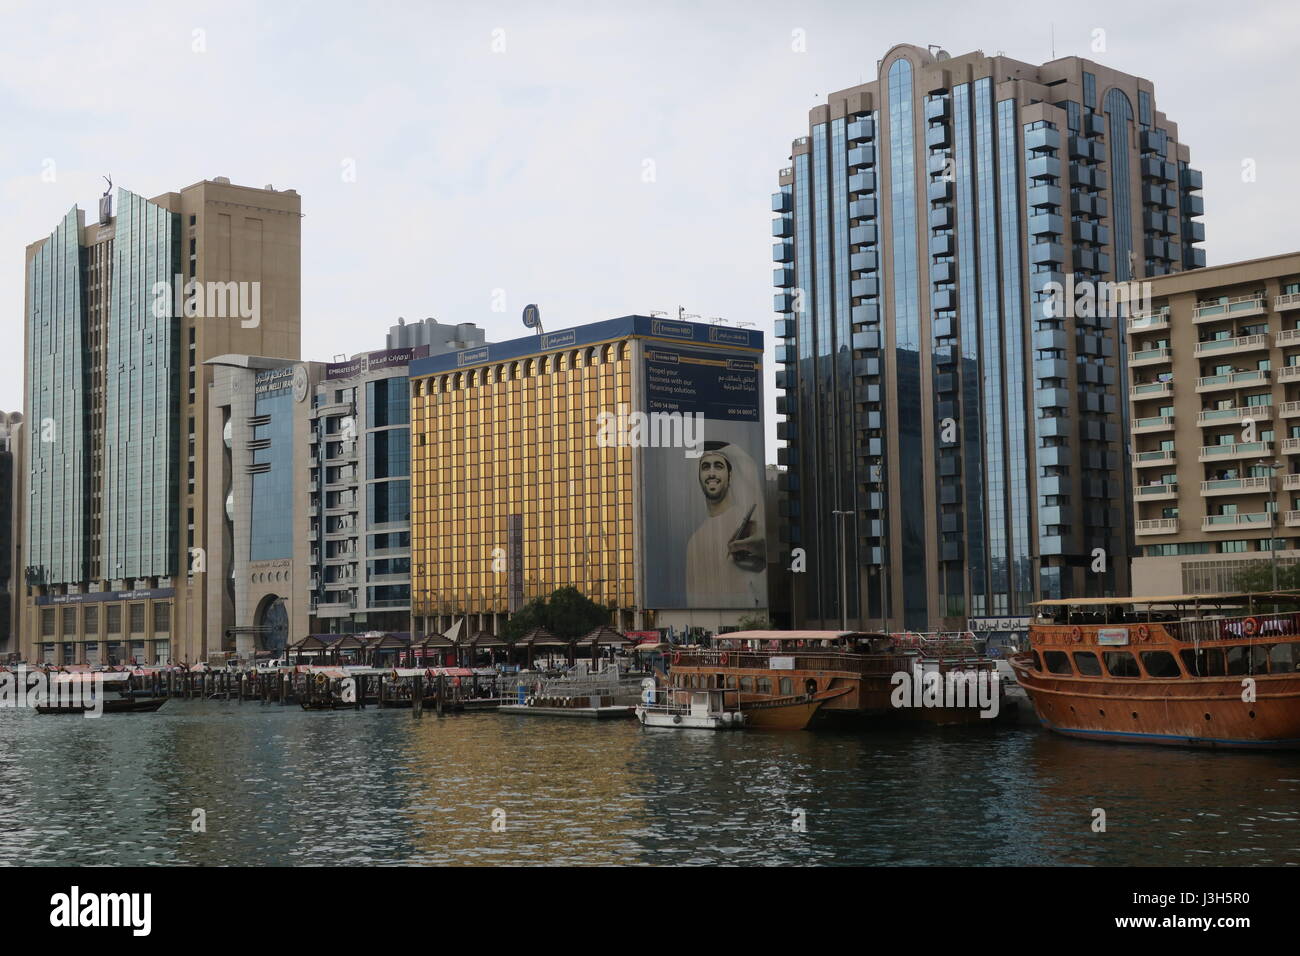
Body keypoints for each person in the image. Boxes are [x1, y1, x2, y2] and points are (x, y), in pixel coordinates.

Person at [685, 442, 766, 606]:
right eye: (706, 467)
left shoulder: (748, 524)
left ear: (730, 476)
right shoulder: (694, 542)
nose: (712, 473)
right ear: (699, 477)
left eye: (719, 466)